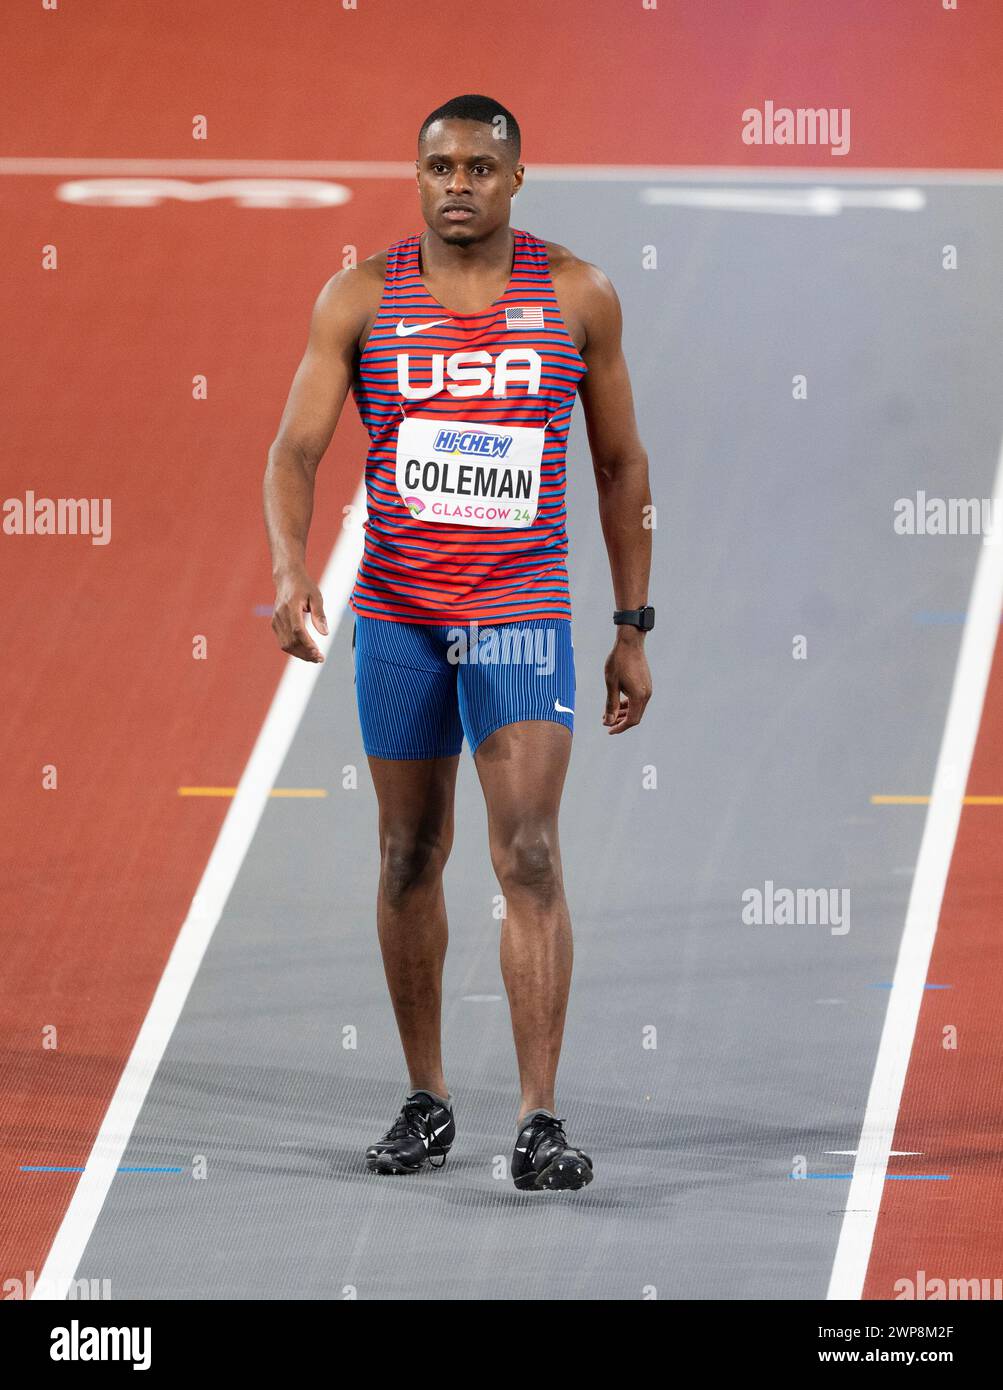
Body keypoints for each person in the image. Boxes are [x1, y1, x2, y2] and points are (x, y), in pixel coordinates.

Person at [264, 94, 653, 1192]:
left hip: (520, 613)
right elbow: (292, 452)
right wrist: (293, 566)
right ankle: (427, 1097)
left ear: (516, 178)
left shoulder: (575, 296)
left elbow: (623, 468)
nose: (458, 184)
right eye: (440, 165)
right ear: (417, 172)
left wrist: (631, 627)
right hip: (398, 617)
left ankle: (537, 1118)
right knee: (407, 856)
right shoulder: (359, 298)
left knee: (526, 852)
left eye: (482, 166)